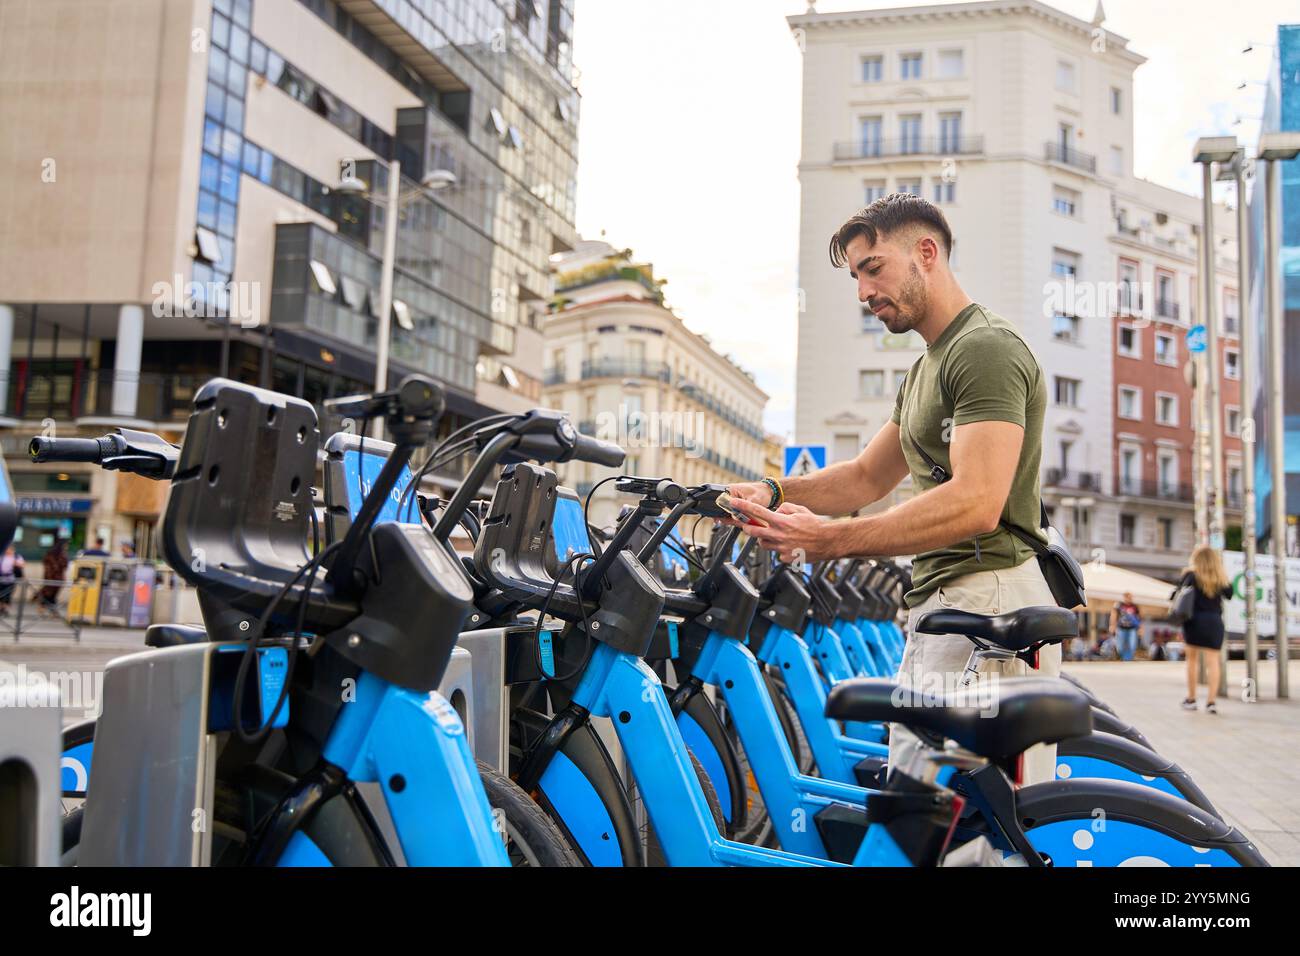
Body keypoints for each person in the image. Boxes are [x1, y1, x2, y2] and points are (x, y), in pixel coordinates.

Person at [724, 193, 1060, 783]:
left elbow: (977, 501)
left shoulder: (983, 348)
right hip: (951, 599)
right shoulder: (927, 366)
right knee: (930, 809)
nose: (863, 293)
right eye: (856, 277)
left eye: (873, 269)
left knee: (942, 820)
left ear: (925, 253)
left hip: (984, 591)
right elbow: (864, 477)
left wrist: (829, 541)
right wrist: (773, 491)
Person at [1175, 545, 1234, 714]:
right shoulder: (1220, 578)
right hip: (1214, 621)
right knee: (1213, 662)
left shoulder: (1190, 575)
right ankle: (1211, 702)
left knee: (1192, 661)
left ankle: (1192, 699)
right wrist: (1221, 574)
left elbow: (1180, 592)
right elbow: (1230, 594)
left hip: (1194, 621)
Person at [1110, 592, 1142, 661]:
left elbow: (1139, 618)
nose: (1130, 599)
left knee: (1132, 645)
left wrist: (1140, 628)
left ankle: (1127, 660)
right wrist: (1112, 625)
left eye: (1131, 597)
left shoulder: (1135, 606)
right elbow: (1114, 615)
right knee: (1120, 646)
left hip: (1132, 629)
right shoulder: (1119, 605)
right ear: (1124, 597)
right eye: (1128, 597)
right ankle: (1124, 657)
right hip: (1121, 628)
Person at [39, 537, 69, 612]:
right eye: (66, 545)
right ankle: (48, 609)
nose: (67, 547)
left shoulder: (60, 554)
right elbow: (64, 565)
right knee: (50, 593)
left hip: (55, 577)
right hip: (53, 577)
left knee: (52, 594)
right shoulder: (56, 555)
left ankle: (45, 607)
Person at [0, 545, 25, 613]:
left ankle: (5, 608)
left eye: (10, 549)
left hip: (11, 578)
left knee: (8, 594)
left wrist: (15, 563)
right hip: (1, 578)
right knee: (1, 593)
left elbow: (22, 565)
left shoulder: (16, 556)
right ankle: (1, 607)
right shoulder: (2, 555)